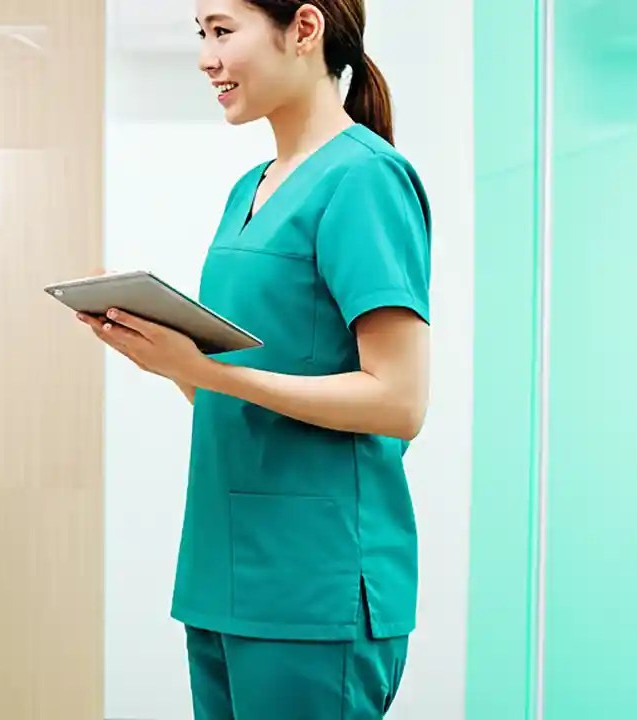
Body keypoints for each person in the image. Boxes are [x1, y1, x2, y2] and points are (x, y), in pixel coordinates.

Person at [81, 1, 430, 718]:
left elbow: (400, 402)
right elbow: (244, 398)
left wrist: (205, 370)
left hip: (313, 582)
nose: (207, 59)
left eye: (222, 32)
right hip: (223, 572)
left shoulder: (366, 177)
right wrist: (168, 358)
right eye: (200, 36)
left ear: (304, 29)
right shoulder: (251, 188)